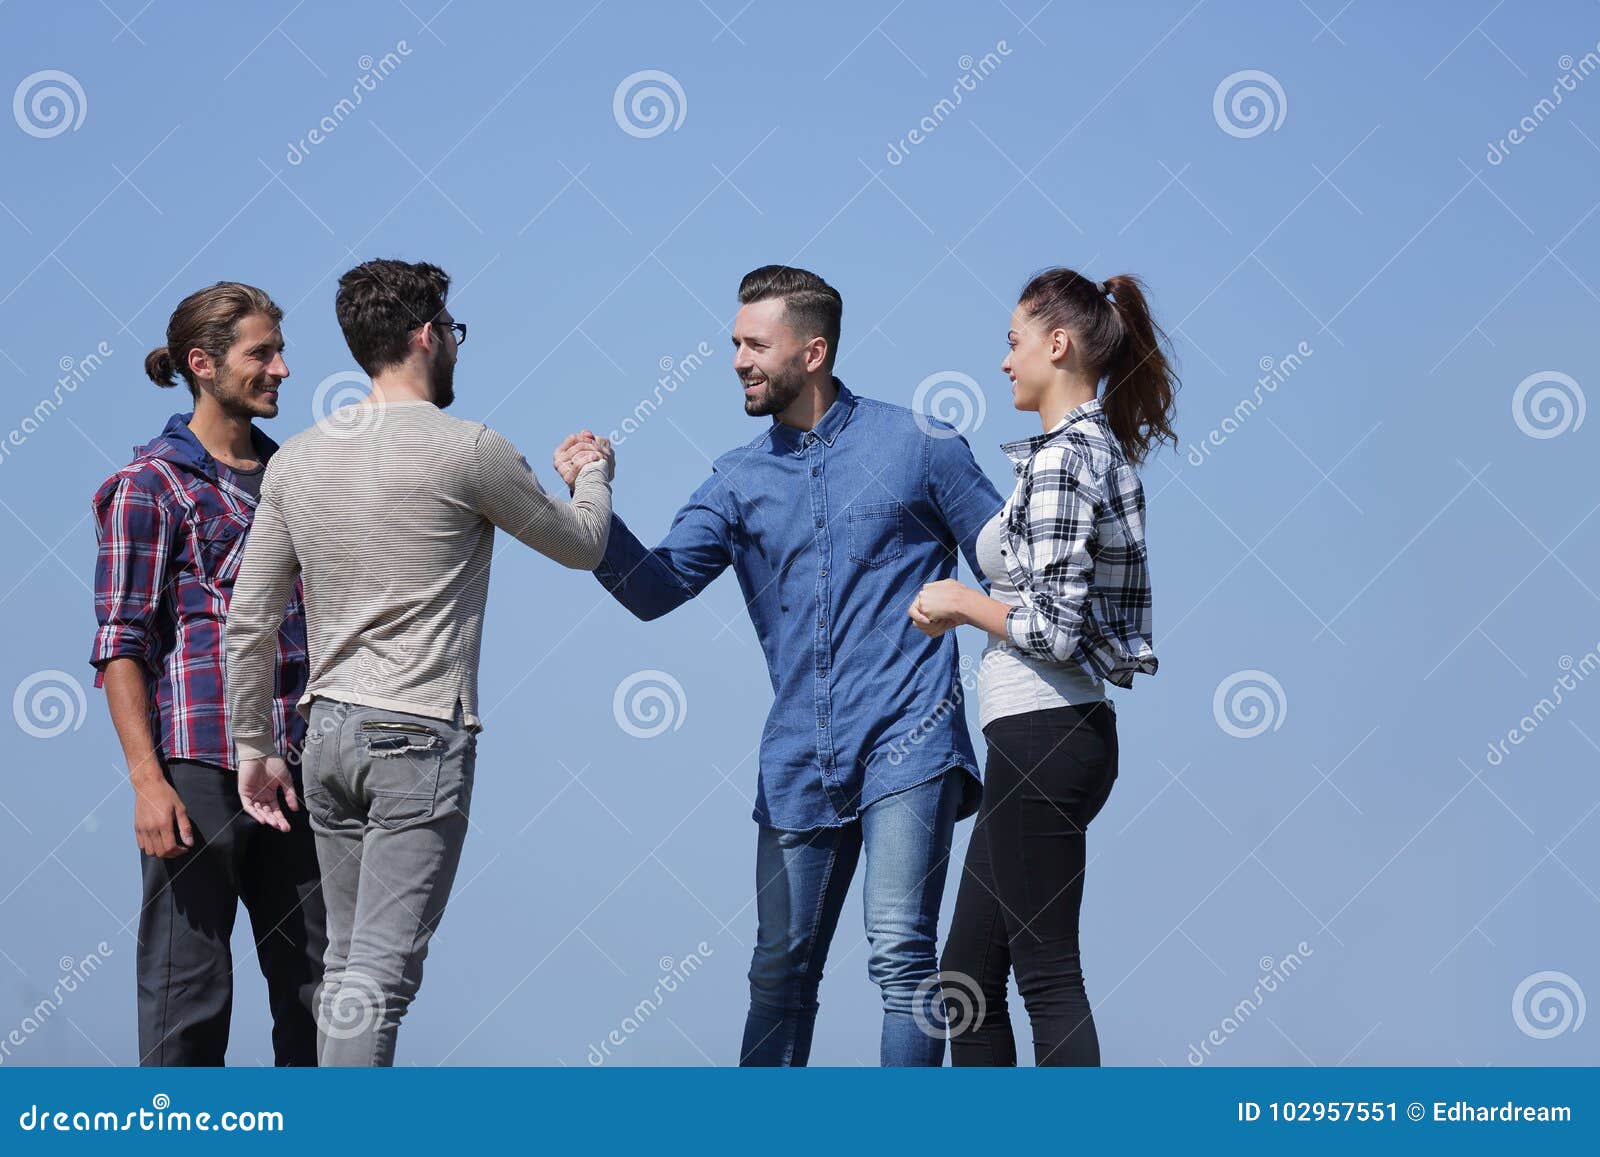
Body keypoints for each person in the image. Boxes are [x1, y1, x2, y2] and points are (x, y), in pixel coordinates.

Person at [560, 265, 1002, 1066]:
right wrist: (593, 498)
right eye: (734, 343)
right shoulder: (737, 479)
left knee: (902, 953)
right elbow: (653, 588)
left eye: (755, 343)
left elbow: (1009, 567)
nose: (737, 359)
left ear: (814, 350)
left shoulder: (922, 445)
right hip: (799, 758)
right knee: (778, 973)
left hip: (911, 738)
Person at [223, 258, 613, 1066]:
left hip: (323, 734)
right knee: (378, 975)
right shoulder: (470, 449)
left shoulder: (294, 460)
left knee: (343, 968)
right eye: (453, 334)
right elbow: (580, 546)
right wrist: (594, 477)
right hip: (419, 733)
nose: (456, 350)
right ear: (429, 335)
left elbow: (251, 618)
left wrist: (252, 748)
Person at [909, 267, 1176, 1066]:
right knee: (966, 980)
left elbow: (1055, 629)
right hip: (1040, 737)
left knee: (1048, 977)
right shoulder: (1074, 452)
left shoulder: (1066, 460)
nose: (1004, 361)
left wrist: (960, 599)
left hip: (1045, 734)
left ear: (1056, 345)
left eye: (1013, 341)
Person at [89, 282, 325, 1065]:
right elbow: (121, 642)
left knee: (319, 998)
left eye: (280, 352)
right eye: (263, 353)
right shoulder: (148, 486)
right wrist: (146, 782)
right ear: (204, 364)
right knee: (186, 998)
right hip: (197, 771)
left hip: (297, 768)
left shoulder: (296, 479)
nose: (283, 370)